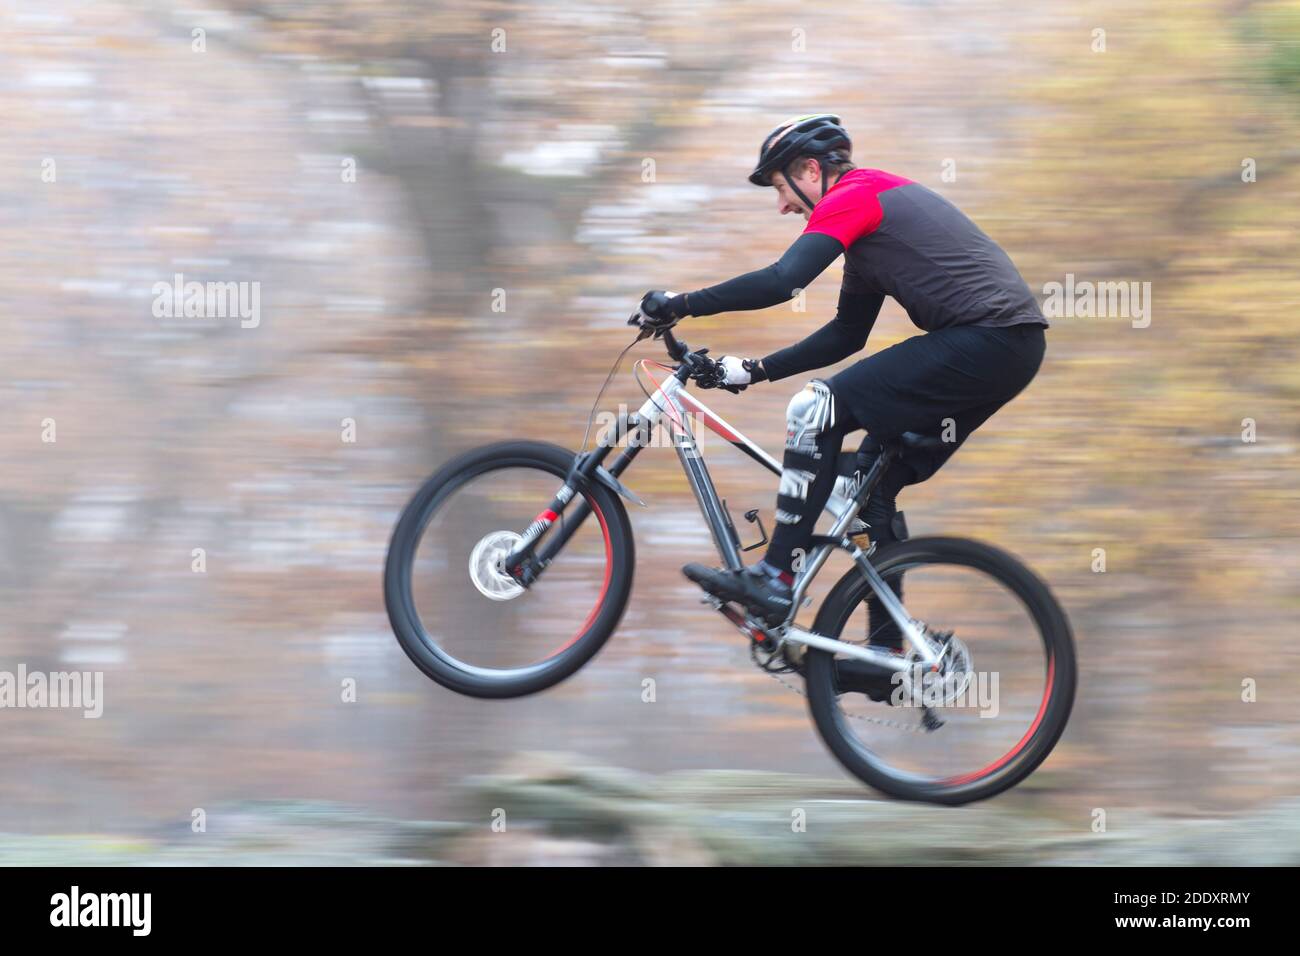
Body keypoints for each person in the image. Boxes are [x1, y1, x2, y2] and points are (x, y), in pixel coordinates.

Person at [632, 114, 1047, 649]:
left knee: (814, 409)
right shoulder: (870, 224)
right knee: (866, 488)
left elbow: (784, 281)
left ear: (811, 169)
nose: (782, 205)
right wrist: (753, 371)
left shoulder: (856, 193)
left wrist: (680, 303)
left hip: (988, 339)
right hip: (1008, 348)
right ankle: (887, 651)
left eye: (782, 188)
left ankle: (776, 578)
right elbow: (846, 336)